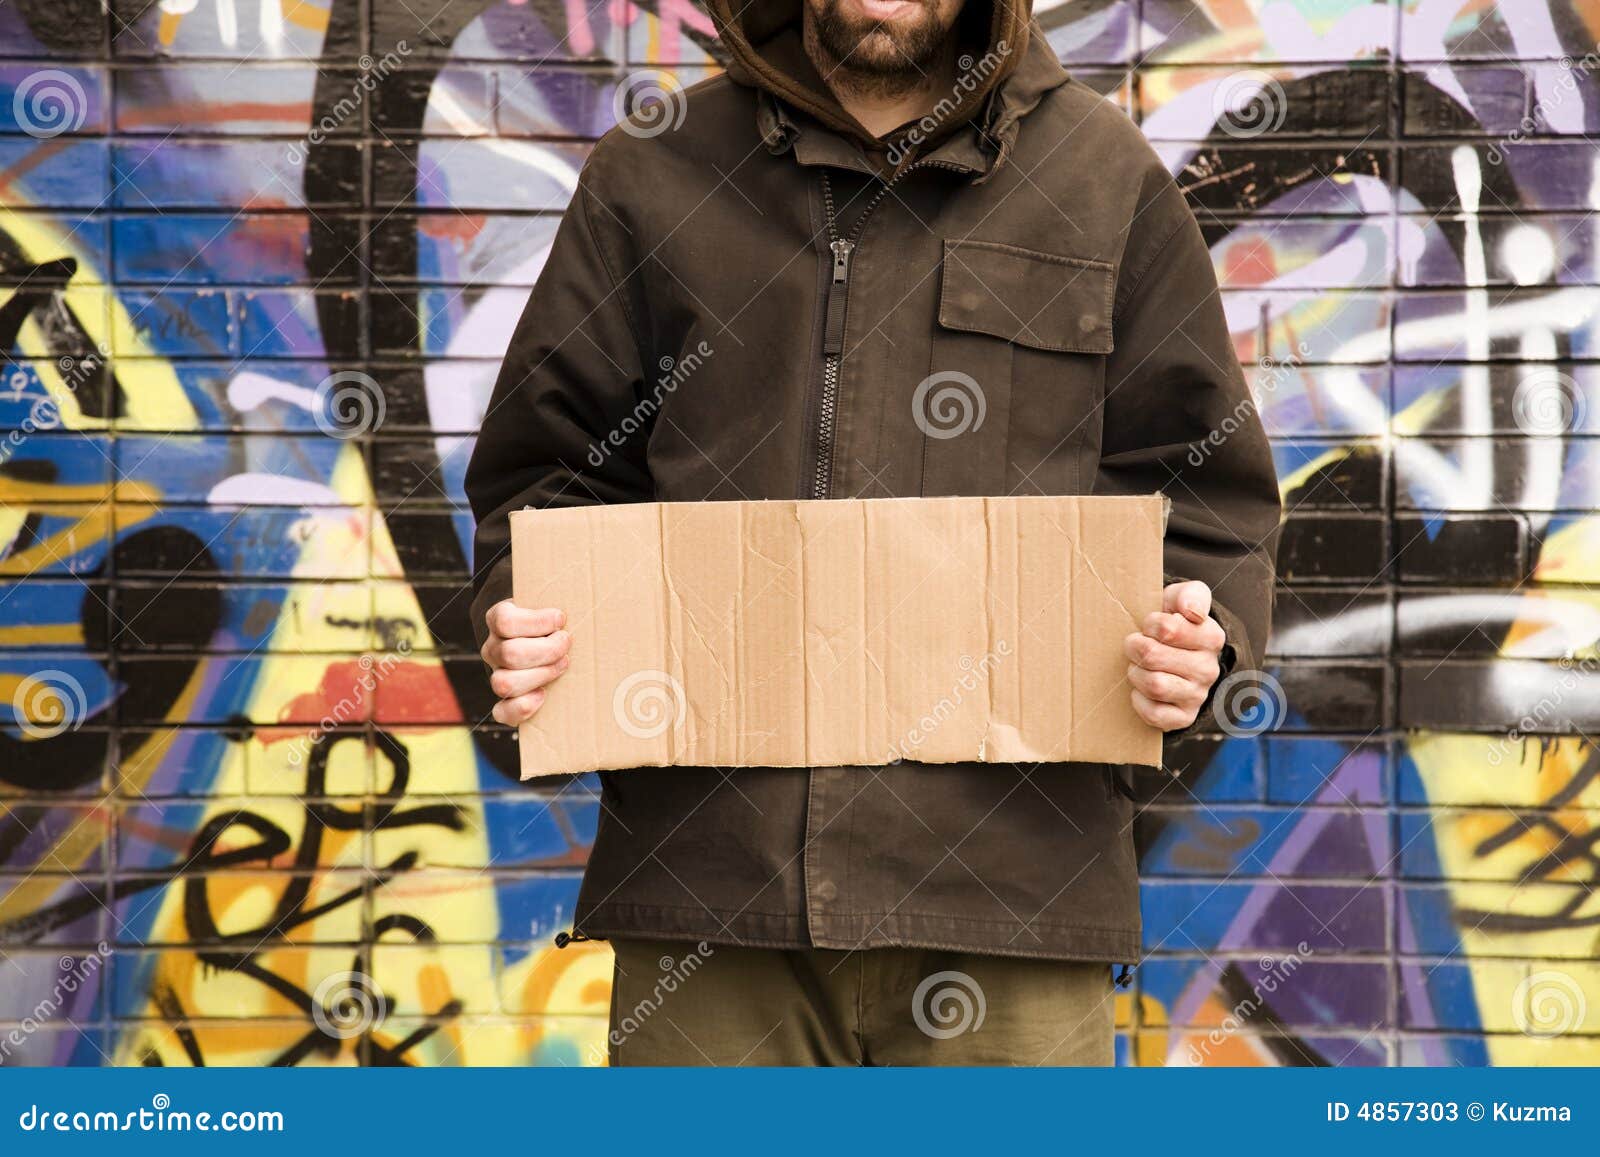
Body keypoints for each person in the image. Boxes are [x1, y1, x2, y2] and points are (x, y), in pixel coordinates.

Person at [465, 0, 1281, 1066]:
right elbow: (549, 472)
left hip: (1009, 908)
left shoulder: (1102, 178)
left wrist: (1203, 637)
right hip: (714, 907)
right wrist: (520, 611)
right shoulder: (655, 171)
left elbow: (1208, 496)